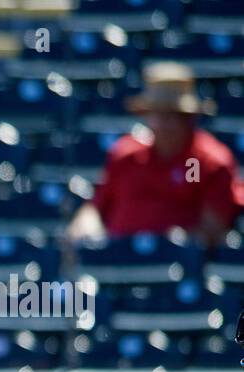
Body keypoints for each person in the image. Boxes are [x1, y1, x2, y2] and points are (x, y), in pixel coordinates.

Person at [68, 62, 244, 249]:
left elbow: (212, 228)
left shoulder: (207, 162)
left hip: (175, 268)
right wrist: (85, 229)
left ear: (190, 118)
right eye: (158, 114)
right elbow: (95, 208)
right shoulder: (125, 155)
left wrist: (171, 245)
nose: (164, 124)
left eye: (173, 116)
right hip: (116, 262)